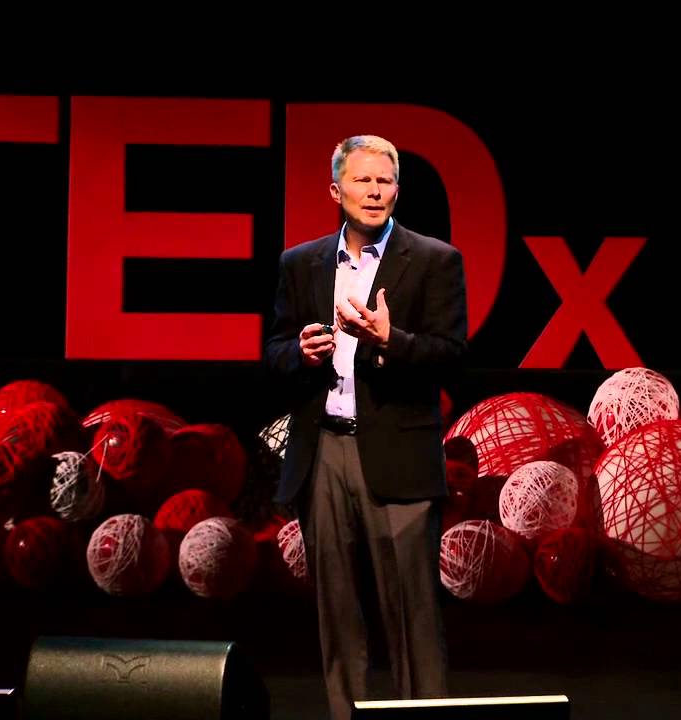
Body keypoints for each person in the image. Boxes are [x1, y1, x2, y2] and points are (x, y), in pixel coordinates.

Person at [264, 134, 465, 718]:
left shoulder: (433, 260)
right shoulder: (300, 263)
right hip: (324, 451)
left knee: (413, 620)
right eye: (362, 180)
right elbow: (272, 348)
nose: (374, 192)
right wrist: (297, 353)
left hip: (399, 459)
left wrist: (389, 340)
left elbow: (452, 355)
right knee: (338, 614)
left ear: (397, 191)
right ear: (336, 190)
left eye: (385, 182)